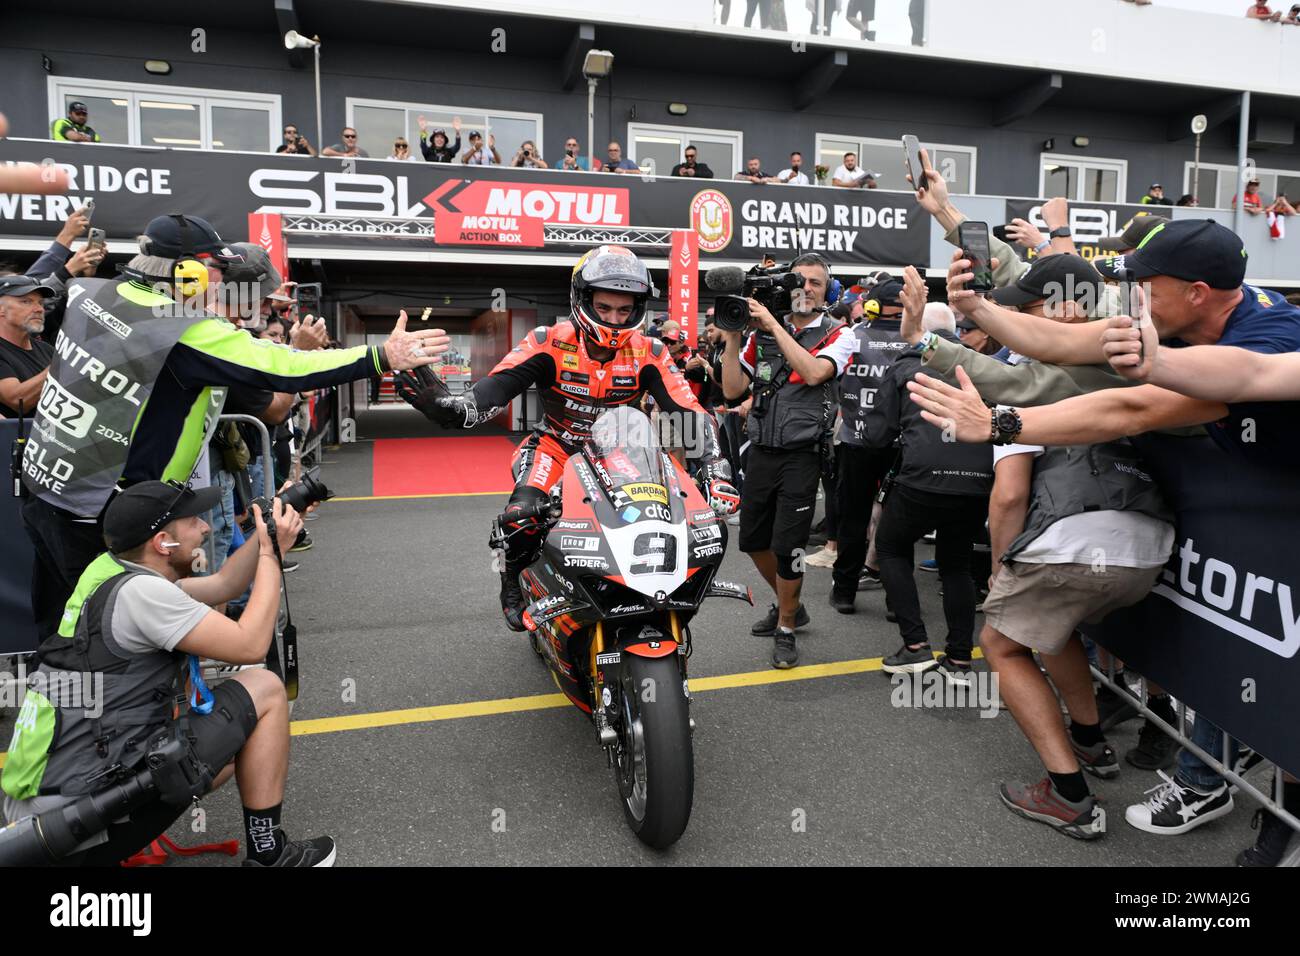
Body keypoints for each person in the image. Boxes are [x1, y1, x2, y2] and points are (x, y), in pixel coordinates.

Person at [18, 213, 449, 641]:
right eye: (216, 270)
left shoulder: (86, 292)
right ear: (184, 271)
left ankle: (54, 696)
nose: (221, 283)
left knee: (57, 622)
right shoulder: (183, 329)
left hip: (44, 487)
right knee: (109, 635)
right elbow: (283, 367)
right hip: (114, 509)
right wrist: (381, 357)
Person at [394, 246, 738, 631]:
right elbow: (490, 394)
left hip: (622, 454)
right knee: (520, 518)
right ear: (582, 300)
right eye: (604, 308)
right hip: (555, 448)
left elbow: (689, 412)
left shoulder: (651, 351)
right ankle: (512, 581)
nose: (613, 319)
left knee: (673, 522)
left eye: (624, 311)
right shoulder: (548, 340)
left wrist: (715, 470)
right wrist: (448, 407)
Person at [1, 481, 335, 866]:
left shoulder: (111, 572)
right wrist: (270, 556)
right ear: (164, 543)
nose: (206, 528)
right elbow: (251, 646)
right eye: (193, 521)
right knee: (265, 690)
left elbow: (225, 584)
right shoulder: (144, 596)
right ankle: (270, 854)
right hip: (77, 826)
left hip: (38, 812)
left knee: (238, 746)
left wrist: (268, 535)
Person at [908, 219, 1300, 470]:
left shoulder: (1267, 339)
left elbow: (1131, 408)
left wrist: (996, 423)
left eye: (1145, 285)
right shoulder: (1183, 309)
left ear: (1196, 293)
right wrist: (976, 306)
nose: (1133, 295)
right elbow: (1061, 341)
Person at [718, 254, 856, 669]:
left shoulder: (841, 333)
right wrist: (730, 336)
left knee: (789, 548)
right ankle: (788, 604)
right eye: (802, 281)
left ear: (827, 291)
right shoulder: (756, 337)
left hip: (803, 454)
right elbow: (731, 390)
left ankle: (787, 627)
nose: (807, 289)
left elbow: (814, 373)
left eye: (816, 282)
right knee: (752, 541)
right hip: (760, 449)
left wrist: (775, 326)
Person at [866, 270, 992, 683]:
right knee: (957, 566)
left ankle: (916, 646)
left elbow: (877, 434)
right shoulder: (981, 365)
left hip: (922, 477)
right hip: (976, 480)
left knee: (890, 547)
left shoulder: (905, 363)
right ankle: (959, 660)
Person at [0, 275, 57, 419]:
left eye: (41, 303)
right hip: (13, 439)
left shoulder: (47, 350)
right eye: (26, 301)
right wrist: (64, 364)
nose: (39, 309)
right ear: (1, 309)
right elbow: (19, 401)